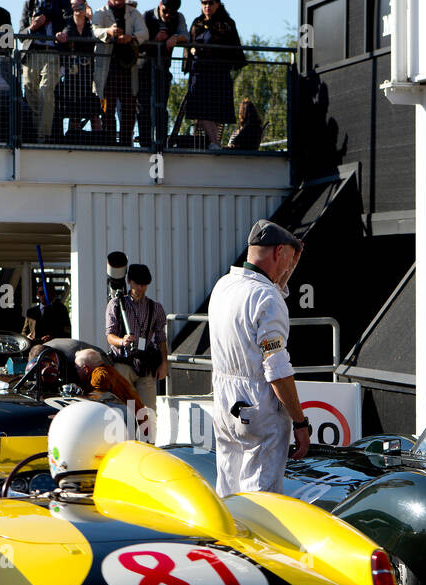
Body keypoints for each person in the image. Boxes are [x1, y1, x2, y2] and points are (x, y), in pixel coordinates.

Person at [208, 219, 308, 494]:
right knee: (261, 500)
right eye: (288, 257)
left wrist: (286, 270)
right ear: (278, 252)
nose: (289, 265)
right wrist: (299, 421)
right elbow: (276, 367)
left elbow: (263, 291)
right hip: (259, 408)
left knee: (228, 490)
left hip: (225, 405)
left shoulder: (224, 285)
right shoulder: (267, 298)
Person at [105, 263, 168, 436]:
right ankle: (122, 443)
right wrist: (122, 340)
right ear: (129, 281)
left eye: (144, 284)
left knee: (148, 413)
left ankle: (149, 445)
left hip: (145, 364)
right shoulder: (116, 304)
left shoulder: (155, 308)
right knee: (123, 410)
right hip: (122, 363)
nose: (140, 288)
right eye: (136, 283)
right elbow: (109, 335)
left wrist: (164, 364)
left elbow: (161, 338)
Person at [185, 0, 244, 151]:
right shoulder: (197, 22)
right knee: (200, 108)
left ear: (218, 4)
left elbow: (231, 47)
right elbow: (189, 42)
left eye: (210, 2)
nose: (207, 6)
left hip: (217, 72)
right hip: (199, 72)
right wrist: (192, 50)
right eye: (203, 2)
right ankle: (214, 142)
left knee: (216, 110)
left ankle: (214, 142)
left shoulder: (226, 24)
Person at [93, 0, 148, 147]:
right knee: (107, 108)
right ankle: (109, 141)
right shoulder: (100, 12)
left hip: (128, 69)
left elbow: (144, 33)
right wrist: (109, 32)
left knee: (129, 109)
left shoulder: (133, 13)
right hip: (107, 69)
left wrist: (131, 37)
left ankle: (125, 142)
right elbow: (95, 30)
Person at [20, 0, 71, 142]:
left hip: (52, 53)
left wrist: (63, 34)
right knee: (32, 96)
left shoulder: (62, 3)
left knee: (46, 90)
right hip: (31, 55)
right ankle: (35, 135)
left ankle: (43, 136)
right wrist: (33, 27)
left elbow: (69, 23)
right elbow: (21, 32)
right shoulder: (29, 3)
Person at [139, 1, 188, 147]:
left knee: (161, 107)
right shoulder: (147, 16)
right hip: (144, 69)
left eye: (171, 13)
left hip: (163, 69)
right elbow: (138, 42)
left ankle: (161, 142)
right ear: (160, 5)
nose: (168, 15)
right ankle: (145, 143)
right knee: (144, 108)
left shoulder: (178, 18)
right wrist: (155, 40)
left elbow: (186, 35)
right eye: (165, 11)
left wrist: (176, 38)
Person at [56, 1, 101, 137]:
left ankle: (99, 141)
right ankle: (73, 138)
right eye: (74, 5)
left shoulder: (91, 26)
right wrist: (59, 38)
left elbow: (98, 36)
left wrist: (91, 17)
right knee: (74, 113)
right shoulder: (67, 23)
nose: (77, 8)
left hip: (89, 76)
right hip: (72, 76)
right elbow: (61, 38)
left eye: (80, 5)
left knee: (94, 112)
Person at [75, 347, 143, 407]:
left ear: (86, 369)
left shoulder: (100, 376)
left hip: (131, 417)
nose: (76, 371)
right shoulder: (109, 370)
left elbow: (93, 403)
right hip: (132, 414)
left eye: (77, 368)